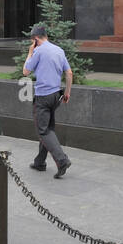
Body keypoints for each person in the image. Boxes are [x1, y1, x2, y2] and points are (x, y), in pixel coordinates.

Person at [21, 23, 73, 178]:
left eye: (33, 41)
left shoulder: (38, 51)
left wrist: (30, 52)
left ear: (36, 39)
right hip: (56, 96)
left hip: (43, 97)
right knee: (47, 128)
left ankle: (62, 160)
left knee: (43, 130)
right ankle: (40, 162)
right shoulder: (59, 50)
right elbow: (69, 73)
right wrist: (68, 93)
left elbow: (25, 72)